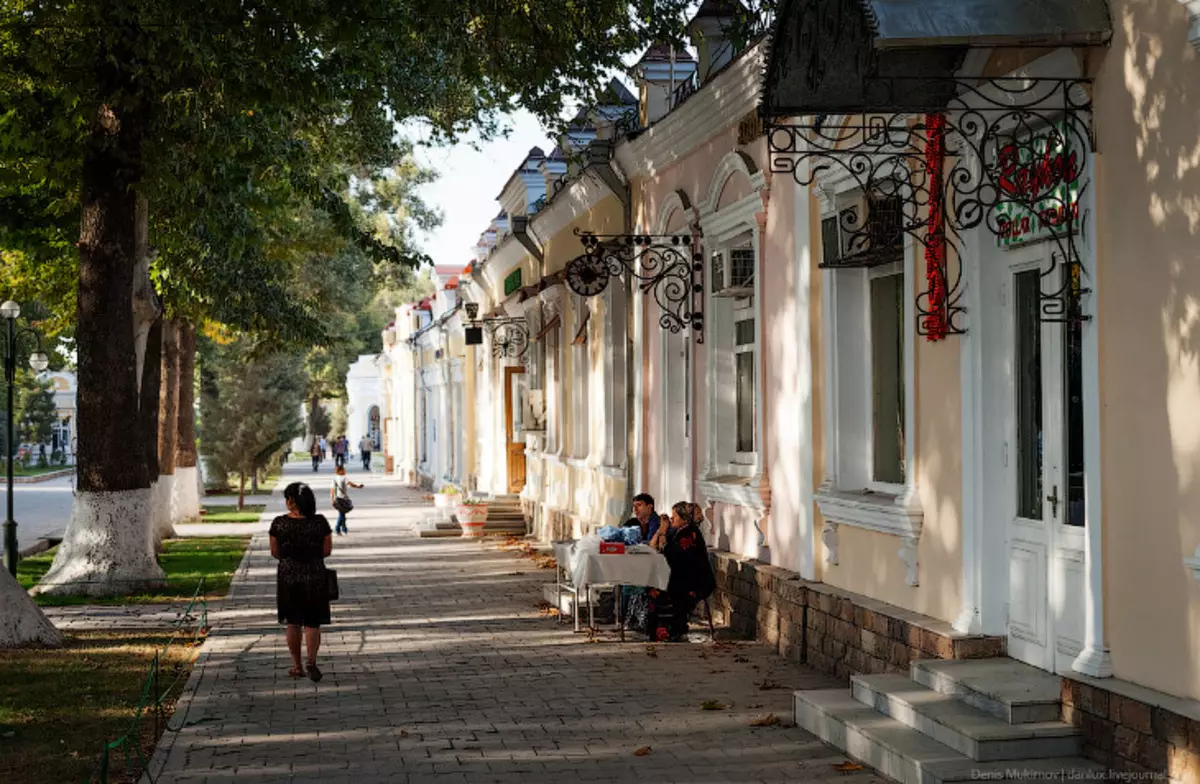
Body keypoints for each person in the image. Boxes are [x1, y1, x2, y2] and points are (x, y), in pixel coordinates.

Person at [269, 482, 333, 681]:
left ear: (293, 501)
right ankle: (311, 661)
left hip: (288, 576)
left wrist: (290, 560)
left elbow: (275, 552)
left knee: (293, 622)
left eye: (288, 498)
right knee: (313, 623)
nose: (287, 502)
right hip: (314, 574)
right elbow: (327, 551)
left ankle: (297, 666)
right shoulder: (320, 522)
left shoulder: (279, 523)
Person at [646, 501, 716, 642]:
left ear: (684, 519)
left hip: (695, 581)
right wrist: (661, 531)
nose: (671, 519)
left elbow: (675, 555)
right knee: (652, 587)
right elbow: (653, 547)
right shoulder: (676, 531)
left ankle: (672, 628)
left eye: (675, 516)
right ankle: (662, 627)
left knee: (661, 589)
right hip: (680, 577)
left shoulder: (690, 534)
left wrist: (664, 537)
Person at [330, 465, 364, 535]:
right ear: (340, 471)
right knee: (342, 515)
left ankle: (343, 529)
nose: (345, 471)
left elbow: (332, 490)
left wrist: (332, 499)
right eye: (344, 470)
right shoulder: (344, 477)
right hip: (343, 499)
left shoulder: (334, 478)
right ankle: (338, 529)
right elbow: (350, 484)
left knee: (342, 514)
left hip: (337, 499)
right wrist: (358, 486)